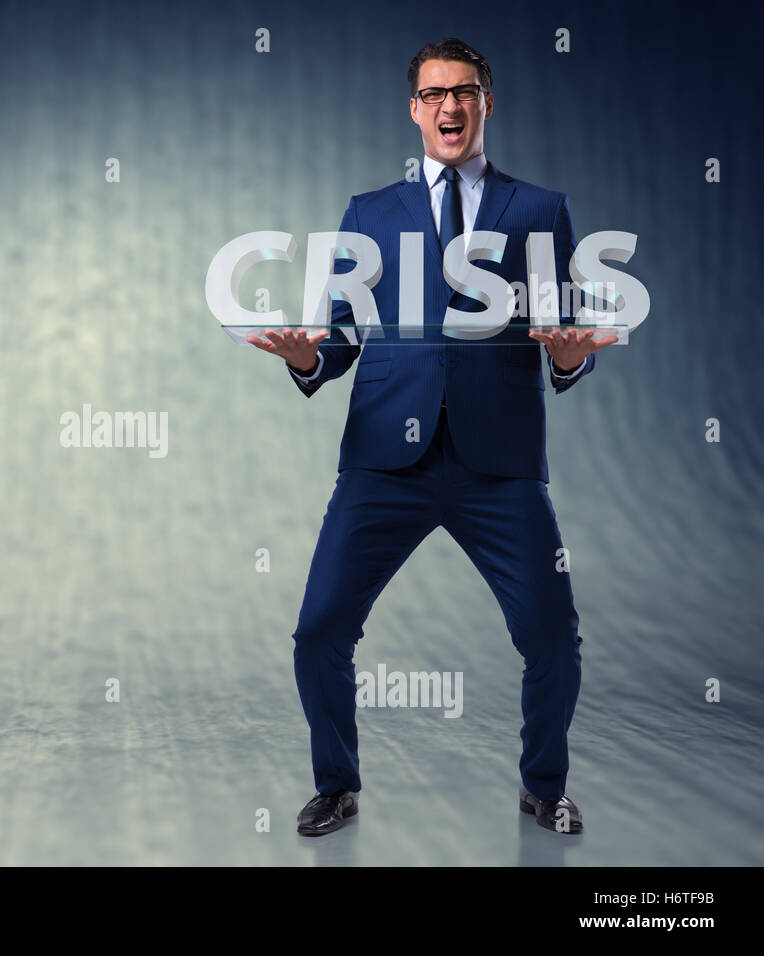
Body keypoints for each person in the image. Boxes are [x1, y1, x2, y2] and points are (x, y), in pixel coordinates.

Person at [248, 38, 618, 836]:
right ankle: (336, 782)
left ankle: (542, 786)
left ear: (487, 101)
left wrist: (568, 358)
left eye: (466, 91)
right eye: (434, 93)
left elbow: (563, 335)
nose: (450, 106)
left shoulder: (541, 209)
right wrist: (310, 357)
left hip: (501, 464)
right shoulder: (368, 213)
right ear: (414, 109)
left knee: (553, 636)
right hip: (386, 460)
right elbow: (342, 334)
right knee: (319, 631)